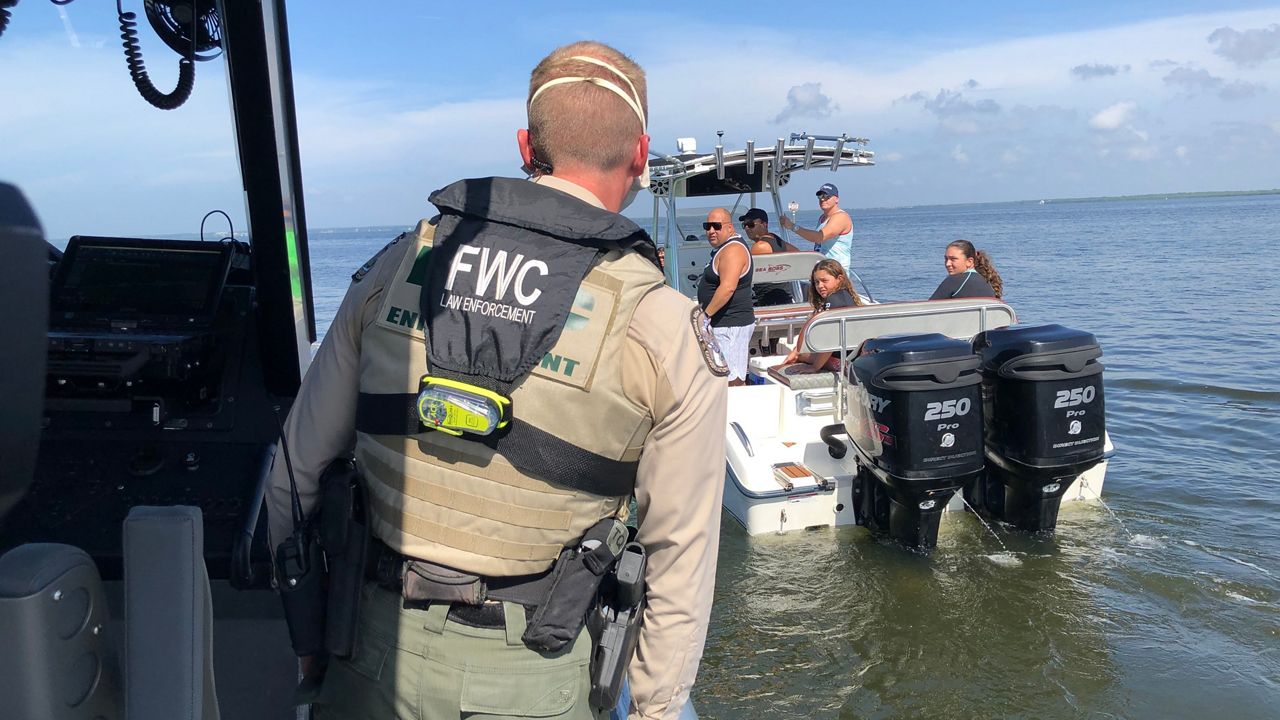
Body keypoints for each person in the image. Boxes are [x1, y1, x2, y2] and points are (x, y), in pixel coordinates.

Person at [265, 41, 727, 720]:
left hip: (366, 647)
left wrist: (310, 640)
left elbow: (293, 474)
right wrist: (655, 709)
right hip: (539, 673)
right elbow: (679, 566)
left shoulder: (398, 264)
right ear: (639, 155)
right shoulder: (661, 324)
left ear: (524, 144)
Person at [697, 208, 755, 386]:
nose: (711, 231)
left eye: (716, 226)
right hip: (723, 324)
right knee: (723, 375)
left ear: (730, 228)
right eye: (707, 226)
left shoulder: (733, 250)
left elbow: (728, 288)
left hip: (730, 325)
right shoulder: (725, 248)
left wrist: (705, 317)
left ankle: (736, 412)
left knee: (731, 377)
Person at [782, 259, 862, 373]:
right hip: (851, 357)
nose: (820, 286)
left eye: (824, 281)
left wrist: (814, 367)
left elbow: (831, 339)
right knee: (799, 354)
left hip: (841, 362)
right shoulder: (845, 296)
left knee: (801, 356)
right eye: (816, 282)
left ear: (839, 279)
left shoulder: (834, 301)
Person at [778, 182, 853, 269]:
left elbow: (819, 237)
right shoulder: (822, 218)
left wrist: (792, 226)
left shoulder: (841, 217)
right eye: (820, 196)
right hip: (822, 270)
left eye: (827, 197)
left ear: (836, 199)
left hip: (836, 273)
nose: (822, 199)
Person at [930, 239, 1003, 299]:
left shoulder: (954, 280)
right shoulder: (987, 283)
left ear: (969, 261)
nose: (947, 264)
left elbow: (928, 308)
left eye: (953, 259)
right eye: (946, 259)